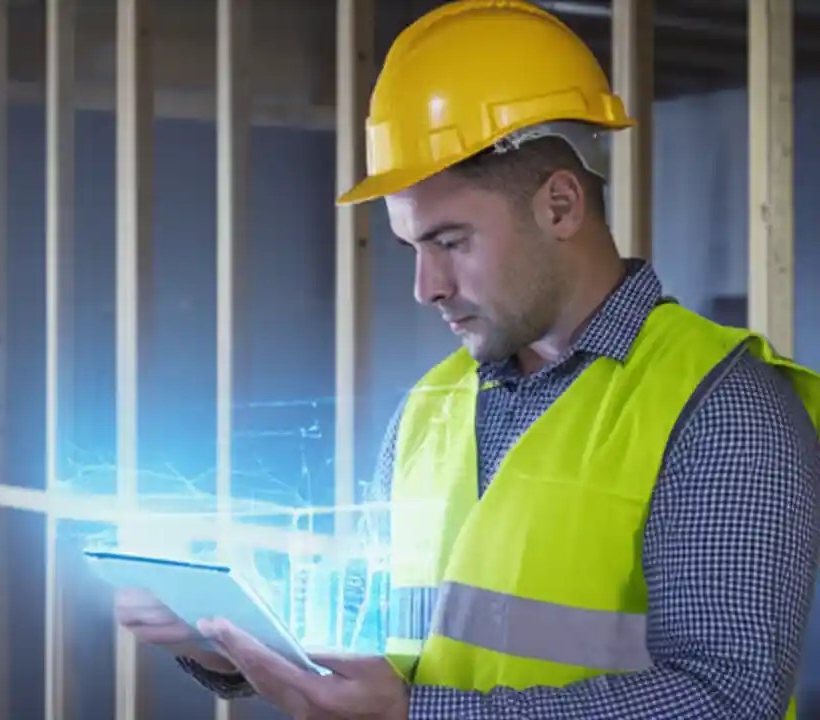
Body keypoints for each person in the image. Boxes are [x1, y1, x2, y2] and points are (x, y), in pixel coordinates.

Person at [114, 0, 820, 718]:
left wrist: (416, 714)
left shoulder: (723, 408)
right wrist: (230, 646)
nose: (427, 288)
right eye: (413, 250)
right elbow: (375, 639)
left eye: (450, 243)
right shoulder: (432, 405)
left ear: (560, 206)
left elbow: (728, 699)